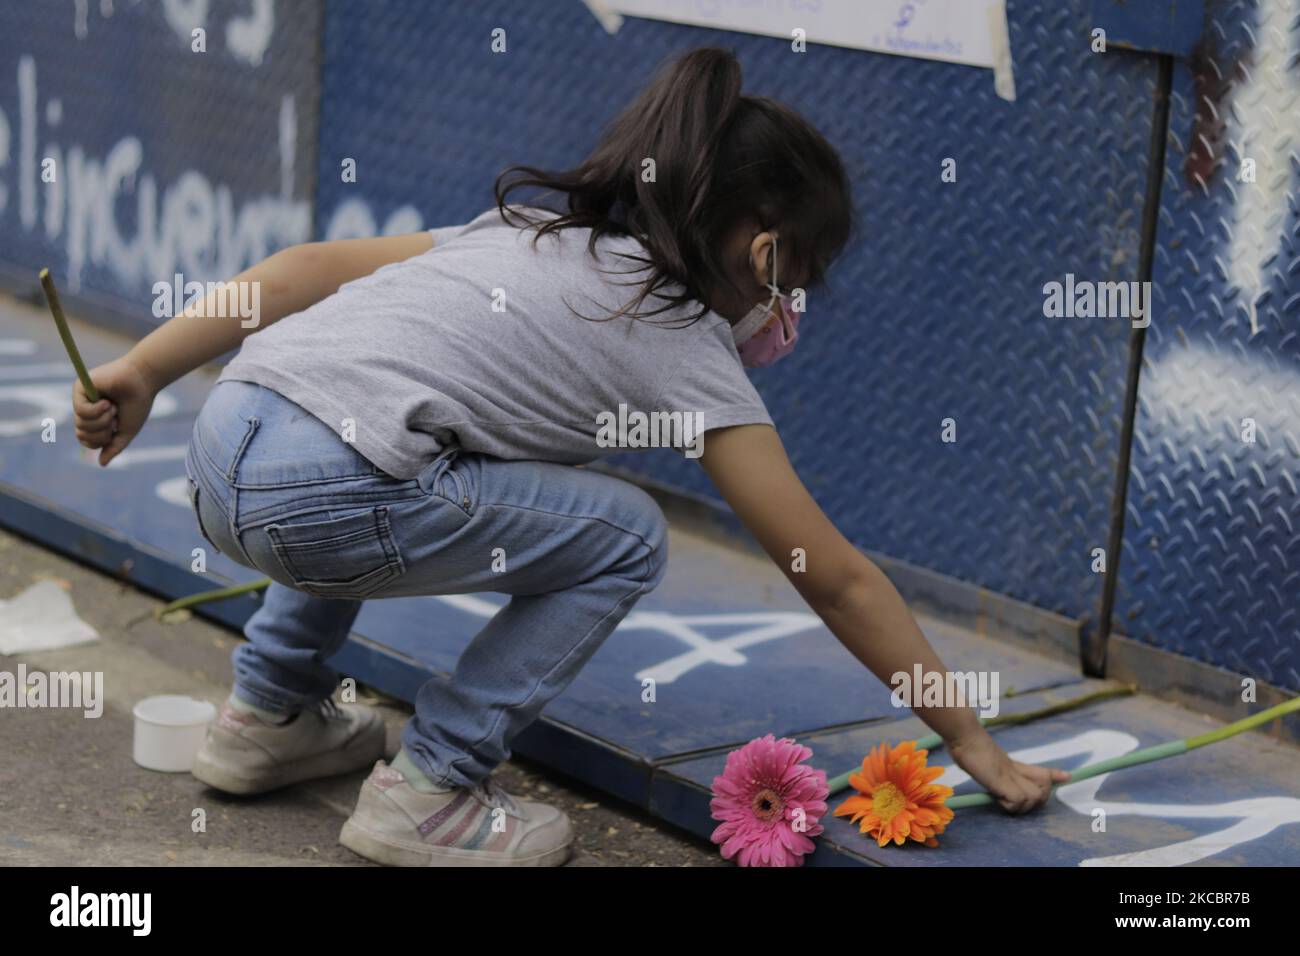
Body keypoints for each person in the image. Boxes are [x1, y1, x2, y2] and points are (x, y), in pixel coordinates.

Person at [71, 47, 1068, 867]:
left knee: (388, 426)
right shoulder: (683, 343)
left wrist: (146, 371)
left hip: (221, 435)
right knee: (624, 532)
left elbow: (298, 271)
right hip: (324, 496)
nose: (790, 312)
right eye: (800, 281)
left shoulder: (525, 229)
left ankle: (263, 715)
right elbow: (833, 574)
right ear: (764, 257)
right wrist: (970, 737)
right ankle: (429, 790)